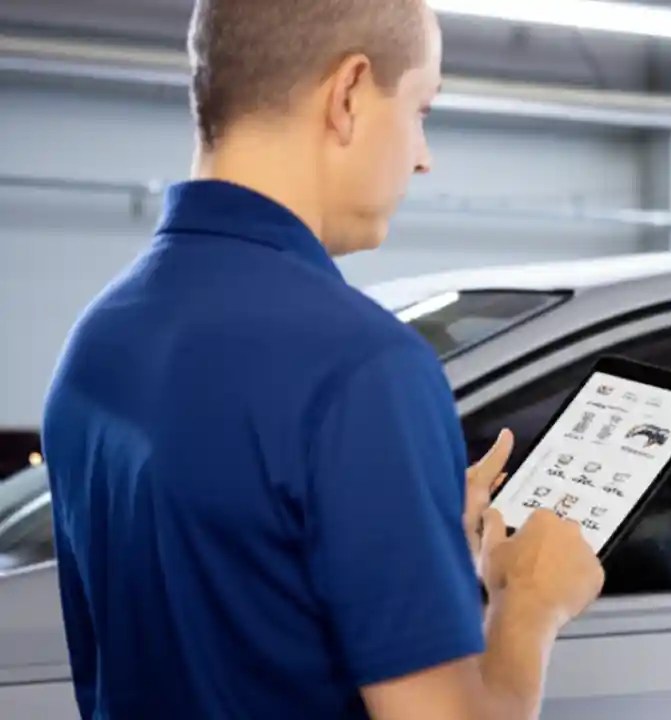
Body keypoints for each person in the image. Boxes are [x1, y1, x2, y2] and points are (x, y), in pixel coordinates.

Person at [41, 1, 603, 718]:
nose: (424, 157)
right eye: (422, 110)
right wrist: (529, 604)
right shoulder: (364, 369)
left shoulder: (98, 342)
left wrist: (405, 520)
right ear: (348, 95)